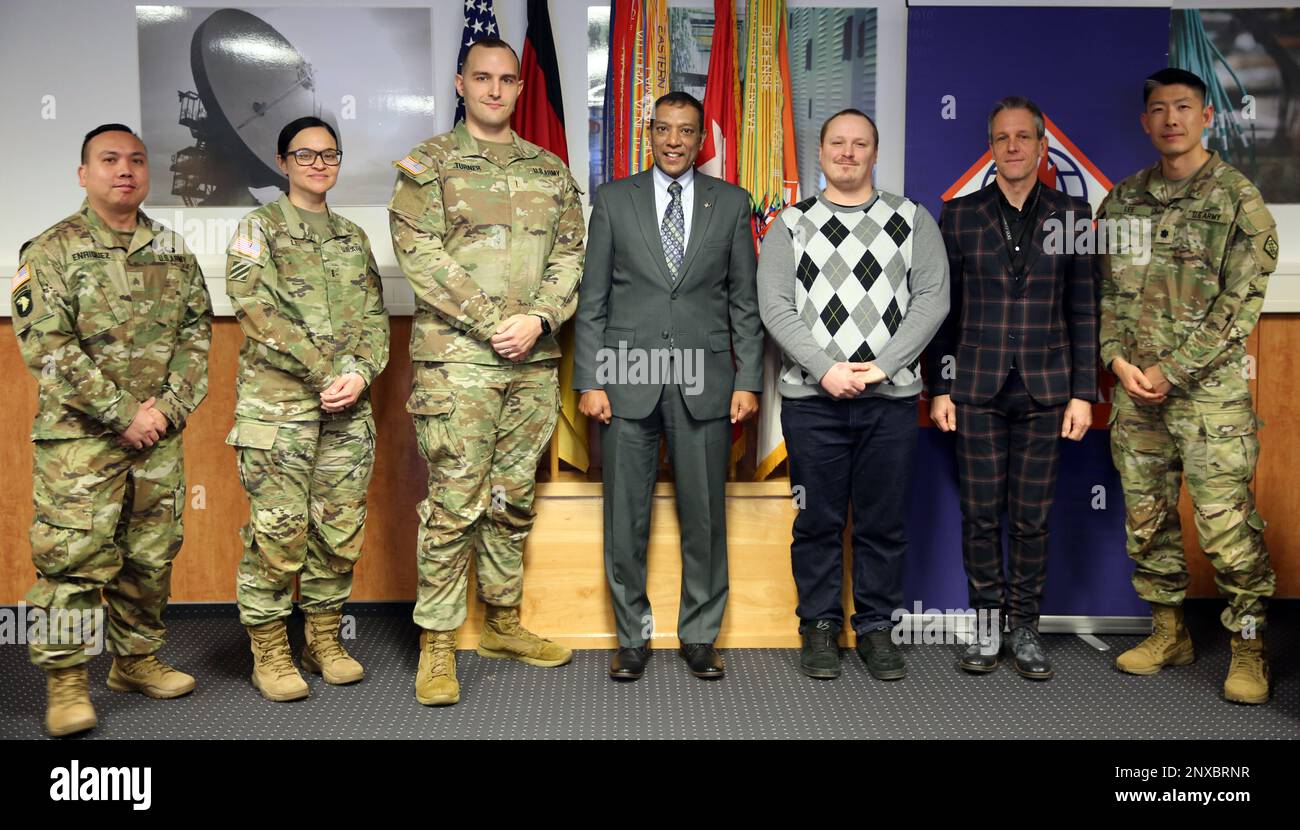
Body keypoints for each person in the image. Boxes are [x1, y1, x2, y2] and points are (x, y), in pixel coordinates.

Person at [388, 37, 586, 706]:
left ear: (520, 88)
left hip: (531, 361)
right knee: (453, 502)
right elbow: (416, 251)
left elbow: (571, 258)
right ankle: (437, 646)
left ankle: (502, 623)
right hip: (458, 363)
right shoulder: (429, 166)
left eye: (507, 80)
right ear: (461, 82)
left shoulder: (549, 168)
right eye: (483, 78)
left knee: (511, 498)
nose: (496, 90)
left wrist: (538, 319)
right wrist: (488, 319)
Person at [12, 123, 212, 736]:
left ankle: (136, 661)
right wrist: (124, 413)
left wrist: (165, 412)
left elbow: (197, 336)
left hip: (157, 438)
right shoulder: (48, 251)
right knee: (73, 558)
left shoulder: (175, 250)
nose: (124, 170)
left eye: (136, 160)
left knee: (150, 556)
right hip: (80, 442)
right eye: (108, 160)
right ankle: (67, 682)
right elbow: (45, 346)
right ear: (83, 174)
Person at [1100, 68, 1278, 704]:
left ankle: (1250, 647)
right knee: (1147, 523)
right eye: (1157, 109)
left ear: (1207, 117)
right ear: (1144, 122)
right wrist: (1116, 360)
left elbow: (1239, 309)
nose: (1170, 118)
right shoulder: (1121, 201)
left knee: (1229, 533)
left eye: (1183, 107)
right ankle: (1169, 631)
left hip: (1210, 401)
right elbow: (1106, 296)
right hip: (1135, 395)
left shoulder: (1239, 201)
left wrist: (1170, 370)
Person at [573, 91, 763, 682]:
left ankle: (700, 636)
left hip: (706, 381)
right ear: (648, 134)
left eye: (686, 131)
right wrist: (591, 379)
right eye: (664, 130)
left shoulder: (730, 204)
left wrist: (749, 379)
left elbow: (744, 304)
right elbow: (593, 301)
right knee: (625, 516)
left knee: (704, 517)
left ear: (701, 138)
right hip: (628, 380)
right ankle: (632, 637)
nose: (675, 141)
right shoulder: (612, 200)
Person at [758, 109, 949, 681]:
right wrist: (825, 369)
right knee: (815, 520)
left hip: (888, 402)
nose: (847, 152)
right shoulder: (789, 224)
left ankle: (874, 630)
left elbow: (932, 300)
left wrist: (882, 368)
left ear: (874, 152)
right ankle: (817, 627)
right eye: (837, 143)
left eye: (859, 143)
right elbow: (775, 307)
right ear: (820, 153)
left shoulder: (911, 219)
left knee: (882, 523)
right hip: (812, 401)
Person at [926, 97, 1098, 680]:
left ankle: (1024, 627)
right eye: (1003, 138)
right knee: (979, 515)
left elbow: (1083, 310)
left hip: (1047, 390)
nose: (1014, 147)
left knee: (1030, 517)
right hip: (975, 387)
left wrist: (1082, 393)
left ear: (1042, 146)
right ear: (992, 148)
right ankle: (984, 627)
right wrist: (941, 387)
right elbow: (942, 313)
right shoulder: (959, 214)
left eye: (1024, 137)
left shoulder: (1072, 213)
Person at [225, 117, 390, 702]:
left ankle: (323, 639)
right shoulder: (258, 228)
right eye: (306, 155)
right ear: (282, 161)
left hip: (347, 412)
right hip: (280, 412)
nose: (319, 165)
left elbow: (375, 319)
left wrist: (360, 372)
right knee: (279, 532)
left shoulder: (352, 237)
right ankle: (269, 650)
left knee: (339, 530)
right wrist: (327, 371)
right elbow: (254, 307)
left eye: (329, 155)